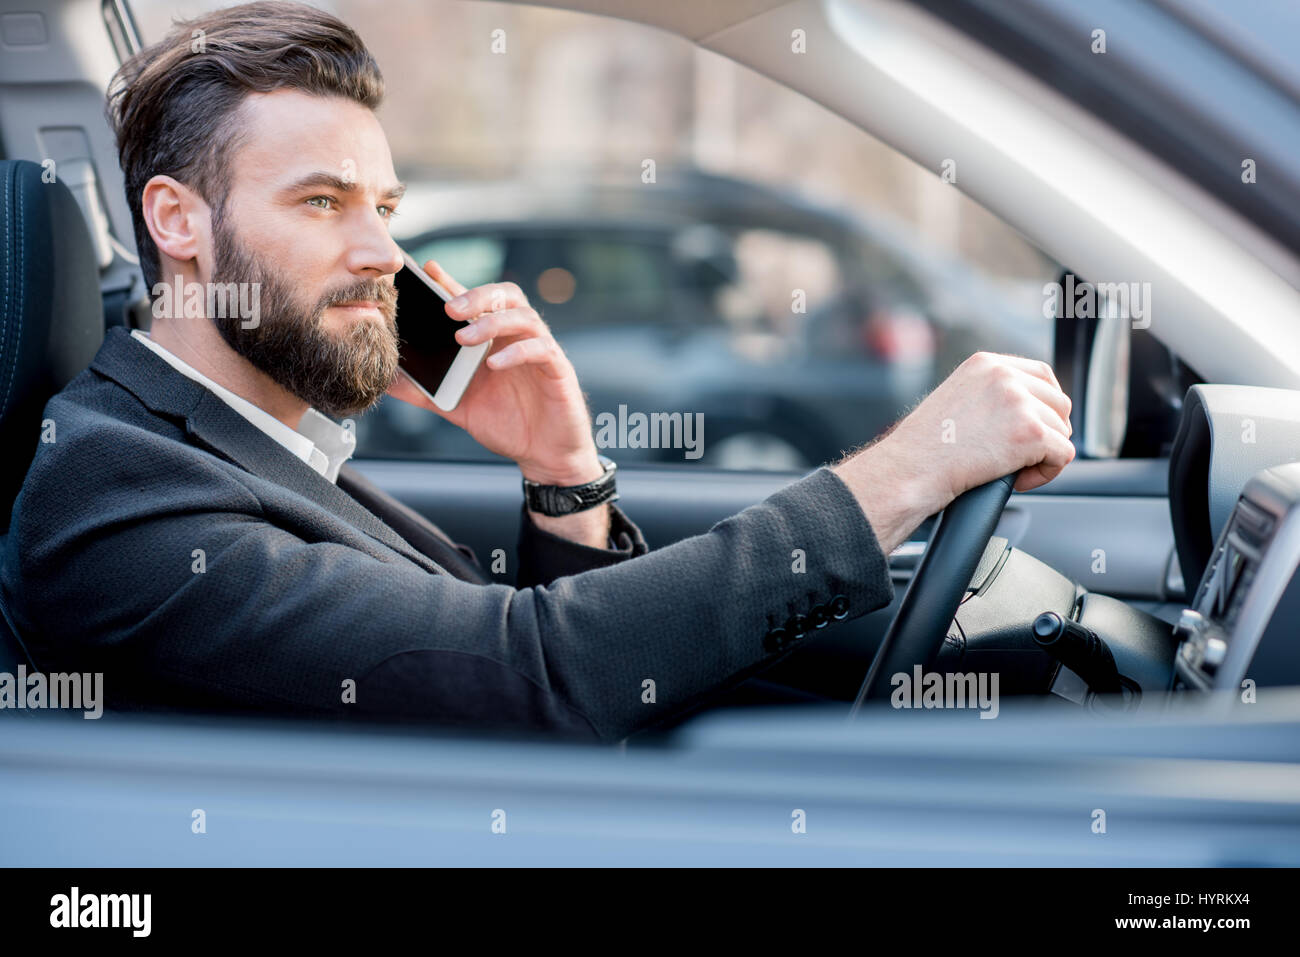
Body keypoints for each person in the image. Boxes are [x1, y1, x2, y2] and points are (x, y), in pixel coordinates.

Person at [0, 1, 1073, 741]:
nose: (381, 253)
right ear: (177, 220)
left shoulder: (263, 441)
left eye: (385, 207)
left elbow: (535, 683)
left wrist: (562, 472)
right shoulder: (114, 497)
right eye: (320, 203)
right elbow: (526, 679)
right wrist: (907, 471)